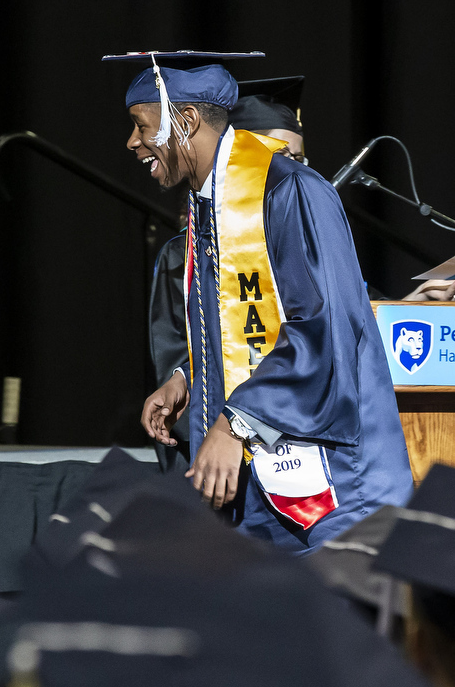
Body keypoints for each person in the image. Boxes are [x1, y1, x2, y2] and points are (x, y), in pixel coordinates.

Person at [113, 52, 413, 554]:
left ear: (186, 120)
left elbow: (322, 326)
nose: (133, 142)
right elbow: (247, 327)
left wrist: (236, 424)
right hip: (257, 492)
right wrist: (186, 377)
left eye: (142, 126)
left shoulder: (290, 191)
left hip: (329, 497)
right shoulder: (209, 206)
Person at [147, 76, 308, 475]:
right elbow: (181, 350)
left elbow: (334, 322)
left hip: (303, 443)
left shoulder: (304, 231)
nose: (293, 170)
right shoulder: (186, 252)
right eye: (278, 153)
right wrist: (181, 379)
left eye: (300, 158)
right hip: (221, 450)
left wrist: (412, 307)